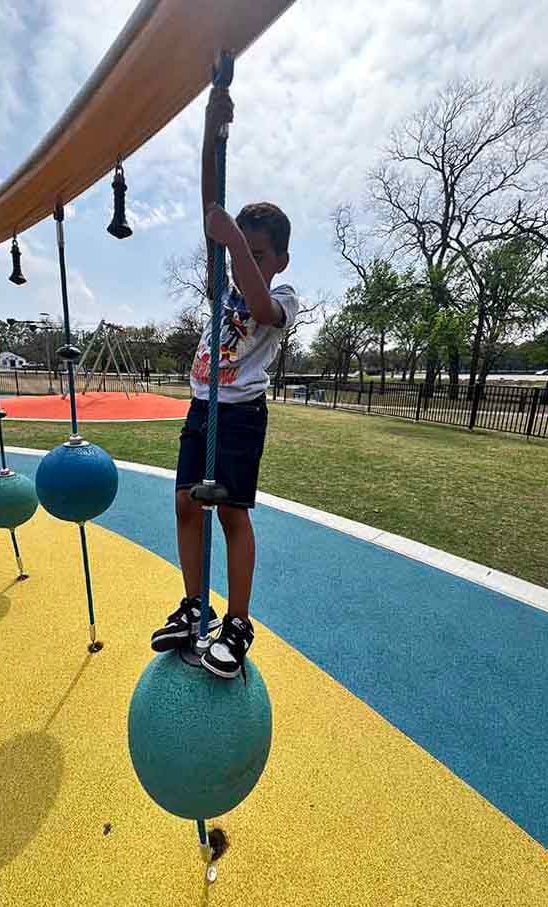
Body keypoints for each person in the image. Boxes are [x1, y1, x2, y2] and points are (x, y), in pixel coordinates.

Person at [151, 84, 299, 679]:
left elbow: (262, 310)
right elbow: (211, 207)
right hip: (200, 405)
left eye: (260, 253)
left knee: (231, 514)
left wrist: (235, 243)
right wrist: (212, 130)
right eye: (247, 253)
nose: (249, 261)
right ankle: (194, 605)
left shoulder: (281, 294)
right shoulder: (224, 280)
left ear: (279, 260)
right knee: (186, 504)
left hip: (239, 413)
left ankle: (237, 622)